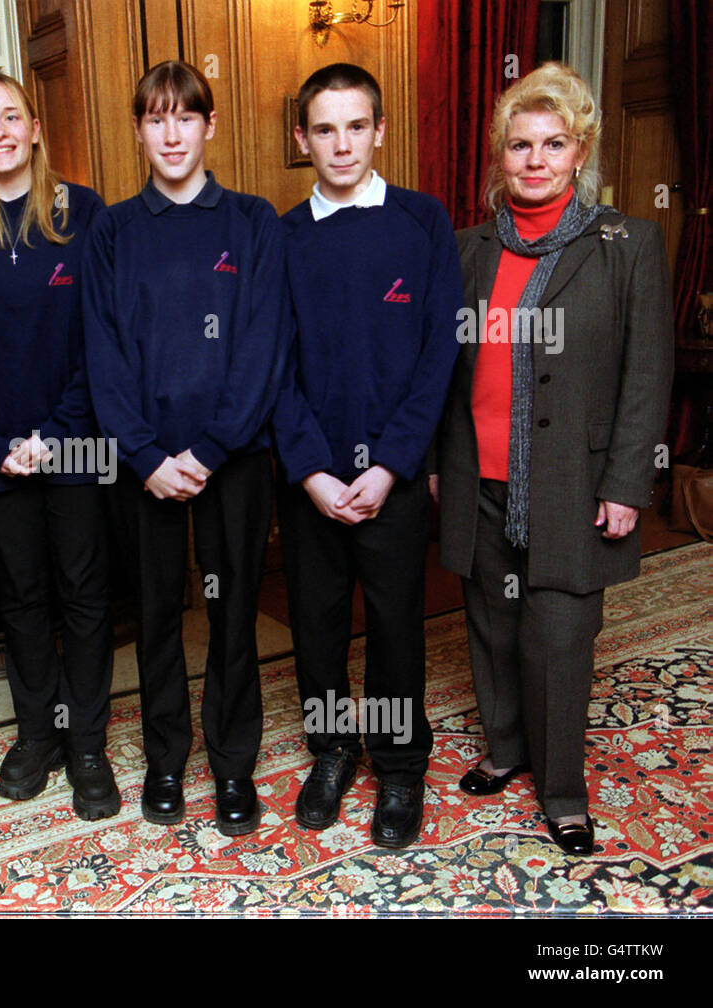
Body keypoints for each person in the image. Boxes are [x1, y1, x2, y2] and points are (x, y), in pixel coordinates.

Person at [434, 62, 673, 855]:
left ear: (580, 152)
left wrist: (629, 482)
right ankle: (504, 751)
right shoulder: (468, 248)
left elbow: (647, 372)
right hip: (483, 476)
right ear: (499, 157)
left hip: (575, 482)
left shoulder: (626, 244)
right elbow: (444, 368)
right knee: (493, 626)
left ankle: (562, 790)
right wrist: (442, 460)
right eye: (519, 145)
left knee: (560, 638)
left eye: (553, 144)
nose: (535, 160)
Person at [83, 60, 285, 836]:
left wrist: (212, 446)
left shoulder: (253, 221)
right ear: (138, 130)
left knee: (234, 612)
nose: (171, 133)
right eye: (155, 118)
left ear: (210, 126)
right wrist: (145, 454)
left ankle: (234, 766)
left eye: (185, 116)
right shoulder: (112, 230)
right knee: (159, 615)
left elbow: (263, 344)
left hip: (230, 458)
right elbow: (102, 349)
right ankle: (166, 759)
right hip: (147, 464)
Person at [271, 63, 462, 848]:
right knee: (315, 625)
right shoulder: (279, 238)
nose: (341, 144)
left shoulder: (423, 222)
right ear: (302, 139)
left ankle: (399, 763)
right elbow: (269, 365)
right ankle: (331, 748)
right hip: (311, 475)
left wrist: (388, 465)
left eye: (356, 126)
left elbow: (437, 355)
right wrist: (314, 471)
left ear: (380, 130)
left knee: (393, 625)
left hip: (395, 472)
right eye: (324, 129)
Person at [0, 72, 116, 819]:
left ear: (36, 128)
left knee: (84, 595)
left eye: (11, 117)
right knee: (23, 599)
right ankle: (40, 735)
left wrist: (56, 436)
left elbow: (101, 341)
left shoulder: (86, 215)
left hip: (75, 449)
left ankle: (90, 744)